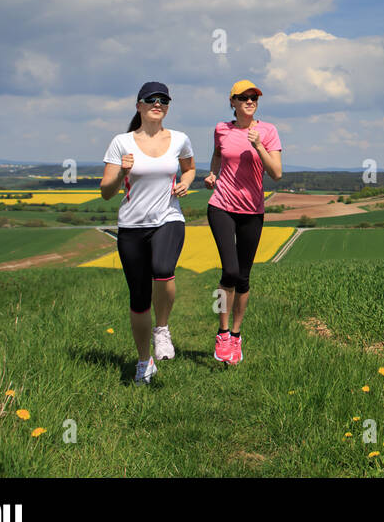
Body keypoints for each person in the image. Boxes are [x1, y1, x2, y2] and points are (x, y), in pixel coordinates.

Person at [100, 81, 195, 385]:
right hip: (131, 226)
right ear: (139, 105)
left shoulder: (179, 138)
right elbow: (106, 192)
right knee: (139, 298)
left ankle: (162, 330)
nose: (158, 103)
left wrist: (187, 182)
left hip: (169, 218)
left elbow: (190, 168)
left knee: (163, 269)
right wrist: (121, 173)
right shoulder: (121, 143)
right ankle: (144, 362)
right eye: (151, 99)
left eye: (164, 100)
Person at [205, 79, 282, 365]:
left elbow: (276, 173)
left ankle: (236, 336)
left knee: (244, 277)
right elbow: (216, 155)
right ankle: (222, 332)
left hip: (252, 210)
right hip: (221, 206)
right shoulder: (221, 129)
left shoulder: (268, 131)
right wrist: (213, 174)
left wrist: (259, 146)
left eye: (254, 97)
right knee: (230, 271)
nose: (250, 101)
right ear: (233, 102)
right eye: (244, 97)